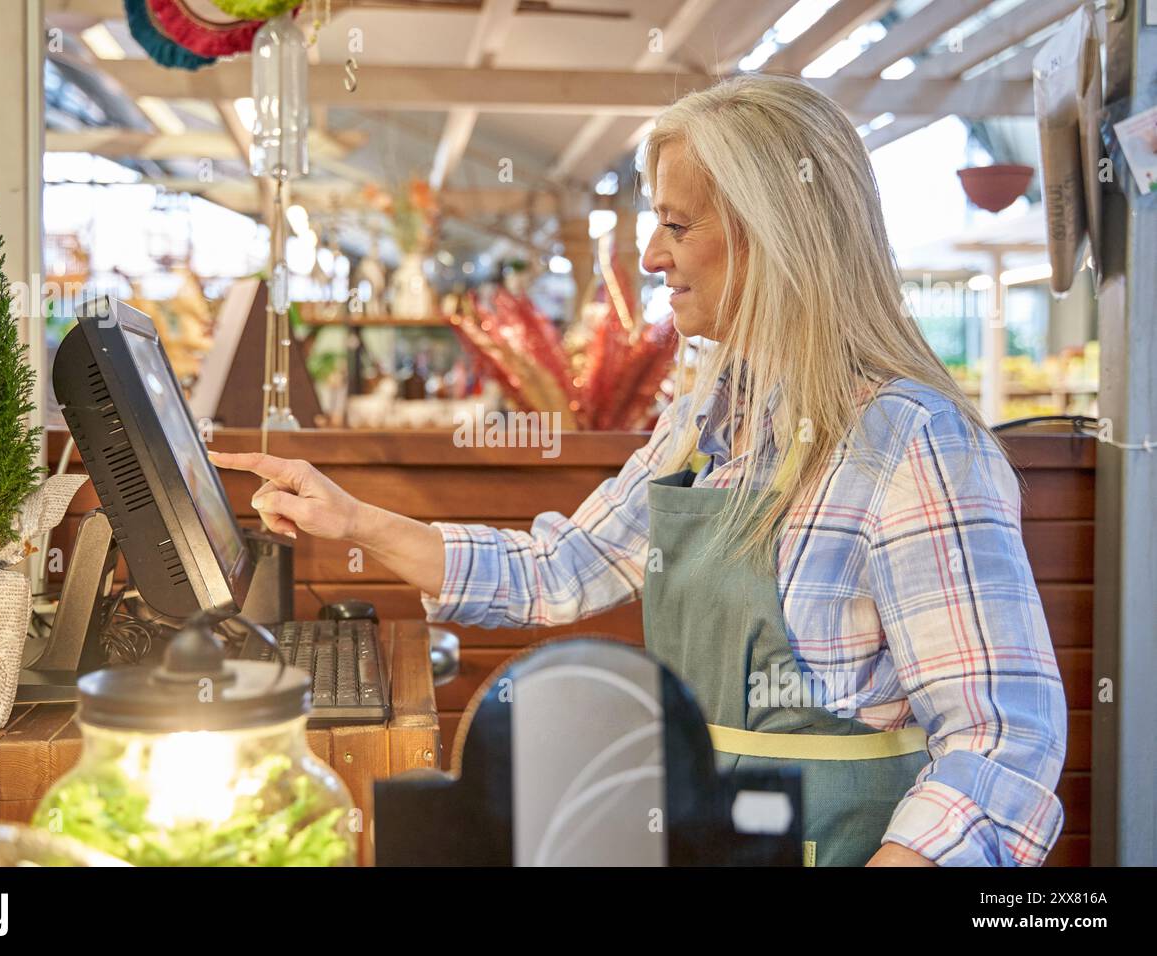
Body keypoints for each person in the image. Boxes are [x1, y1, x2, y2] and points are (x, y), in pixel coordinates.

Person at [210, 73, 1066, 867]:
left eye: (677, 225)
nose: (651, 256)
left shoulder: (908, 444)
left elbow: (1002, 748)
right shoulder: (703, 424)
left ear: (775, 234)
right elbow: (560, 569)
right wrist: (355, 521)